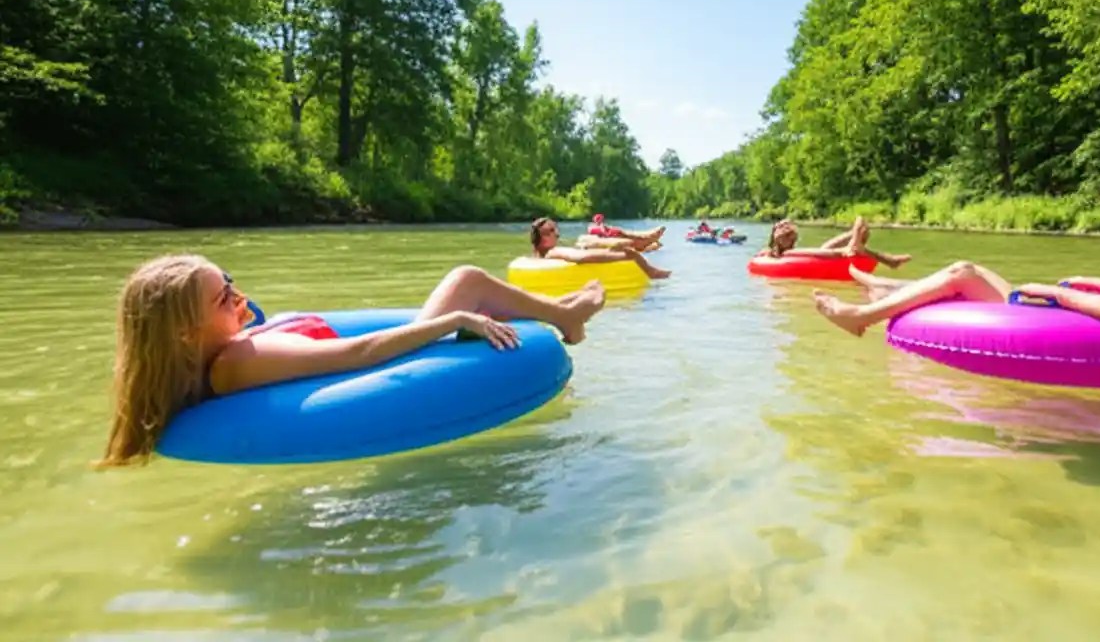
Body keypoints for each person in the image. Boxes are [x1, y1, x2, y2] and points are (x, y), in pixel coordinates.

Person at [97, 254, 607, 468]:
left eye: (230, 283)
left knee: (469, 287)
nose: (240, 297)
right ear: (186, 333)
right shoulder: (237, 360)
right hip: (386, 373)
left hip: (371, 365)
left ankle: (564, 312)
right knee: (466, 282)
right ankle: (567, 318)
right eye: (223, 298)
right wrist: (452, 322)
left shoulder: (230, 352)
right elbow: (357, 353)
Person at [814, 220, 1100, 337]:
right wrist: (1082, 279)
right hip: (1039, 310)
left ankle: (863, 316)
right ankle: (886, 287)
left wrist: (1061, 292)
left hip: (1040, 318)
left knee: (964, 272)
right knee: (964, 278)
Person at [532, 217, 671, 279]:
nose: (556, 233)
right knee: (586, 240)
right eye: (550, 231)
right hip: (594, 253)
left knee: (585, 238)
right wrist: (628, 255)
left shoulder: (546, 252)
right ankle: (641, 242)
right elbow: (581, 258)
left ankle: (642, 242)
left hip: (589, 248)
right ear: (540, 240)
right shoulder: (553, 251)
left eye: (555, 228)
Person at [765, 217, 912, 268]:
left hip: (818, 253)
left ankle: (858, 247)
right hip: (823, 256)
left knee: (864, 228)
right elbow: (834, 254)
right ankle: (888, 260)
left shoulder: (785, 251)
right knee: (859, 226)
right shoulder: (787, 253)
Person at [586, 213, 665, 250]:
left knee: (622, 232)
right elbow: (601, 230)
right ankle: (646, 240)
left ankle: (647, 240)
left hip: (614, 235)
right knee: (623, 233)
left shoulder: (597, 226)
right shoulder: (594, 227)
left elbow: (602, 229)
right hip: (613, 237)